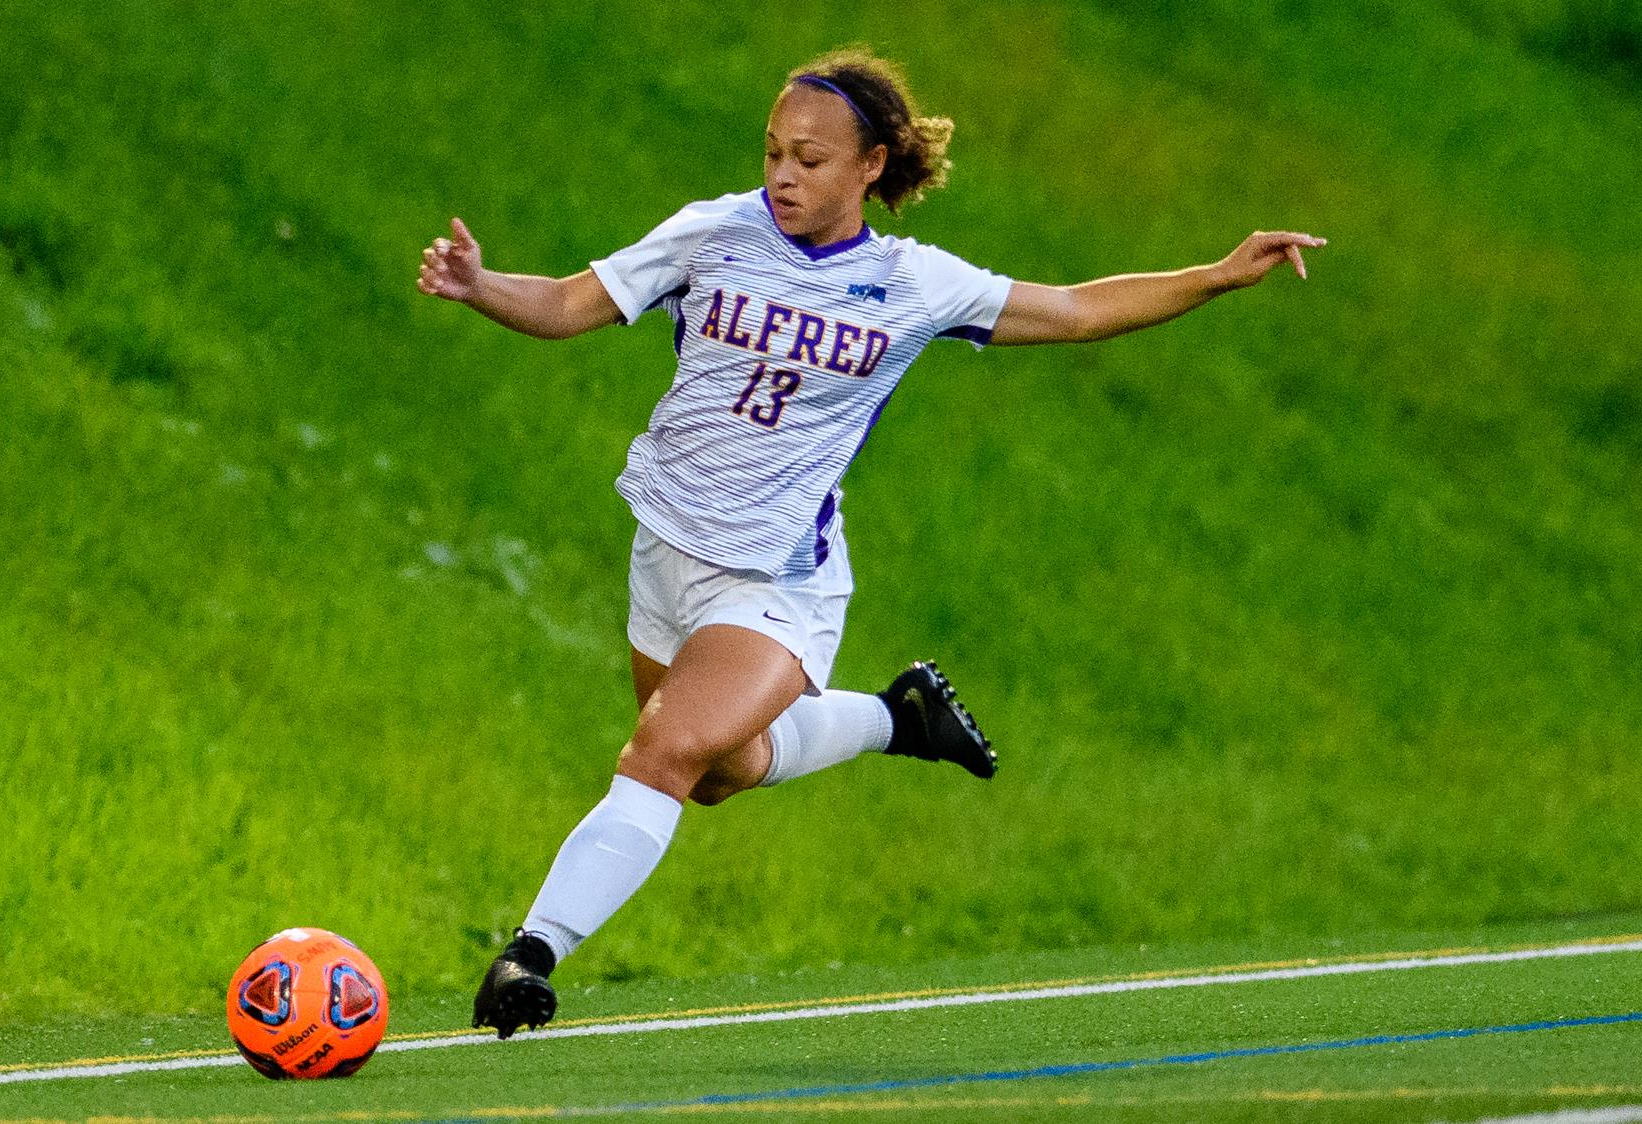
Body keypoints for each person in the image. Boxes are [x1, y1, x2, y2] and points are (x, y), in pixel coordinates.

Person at [416, 46, 1323, 1039]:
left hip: (777, 581)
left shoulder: (910, 284)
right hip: (664, 552)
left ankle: (530, 953)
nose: (782, 175)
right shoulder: (711, 233)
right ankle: (899, 716)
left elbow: (1071, 310)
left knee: (665, 749)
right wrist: (478, 284)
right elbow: (566, 304)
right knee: (718, 772)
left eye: (808, 159)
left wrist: (1217, 275)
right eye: (772, 152)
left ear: (871, 165)